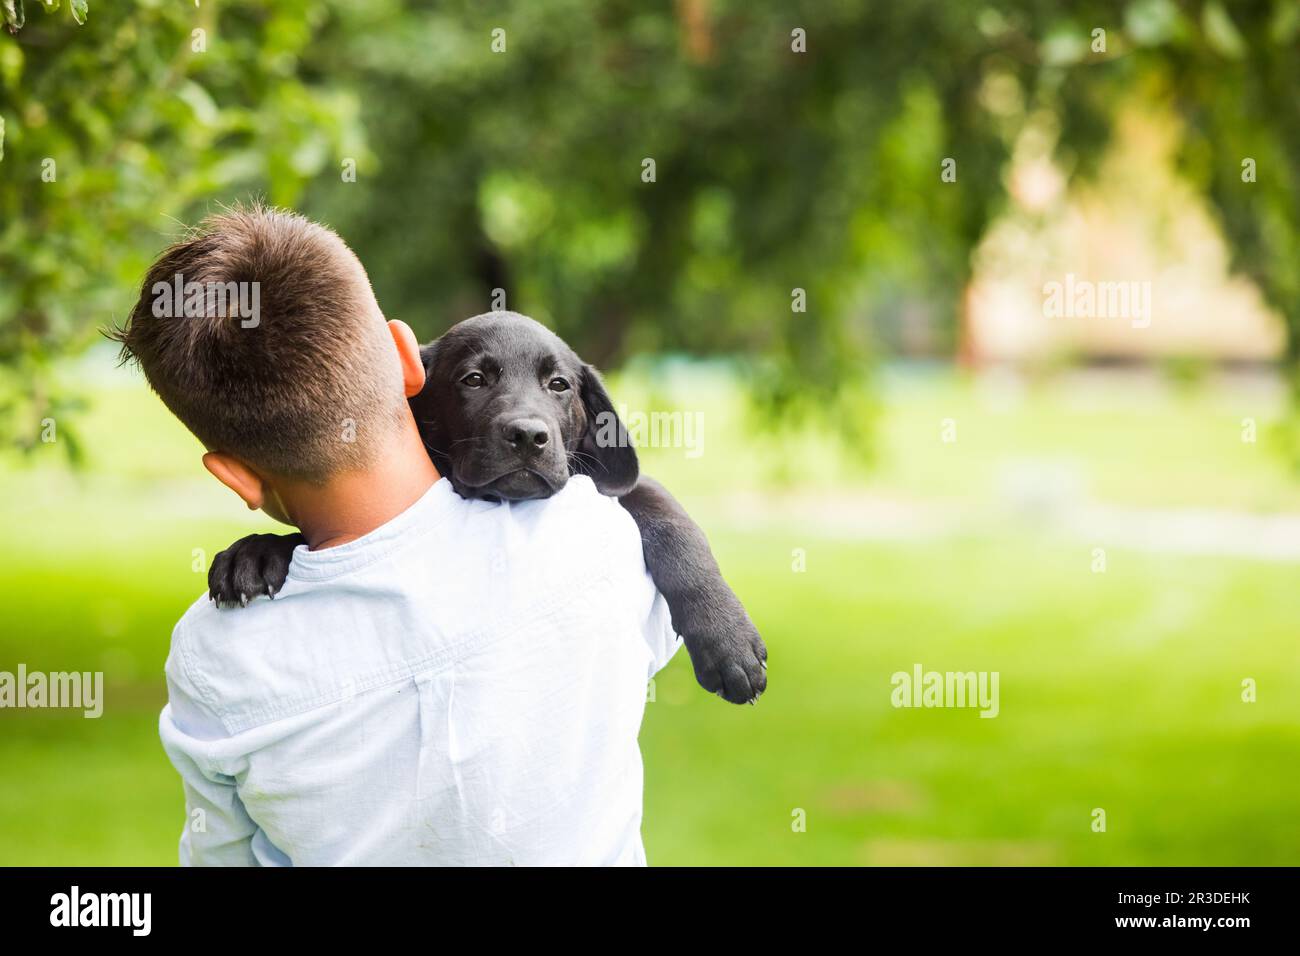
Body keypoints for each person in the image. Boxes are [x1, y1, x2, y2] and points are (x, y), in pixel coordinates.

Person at [113, 205, 680, 865]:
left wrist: (293, 551)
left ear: (235, 477)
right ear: (410, 360)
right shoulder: (593, 540)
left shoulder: (215, 659)